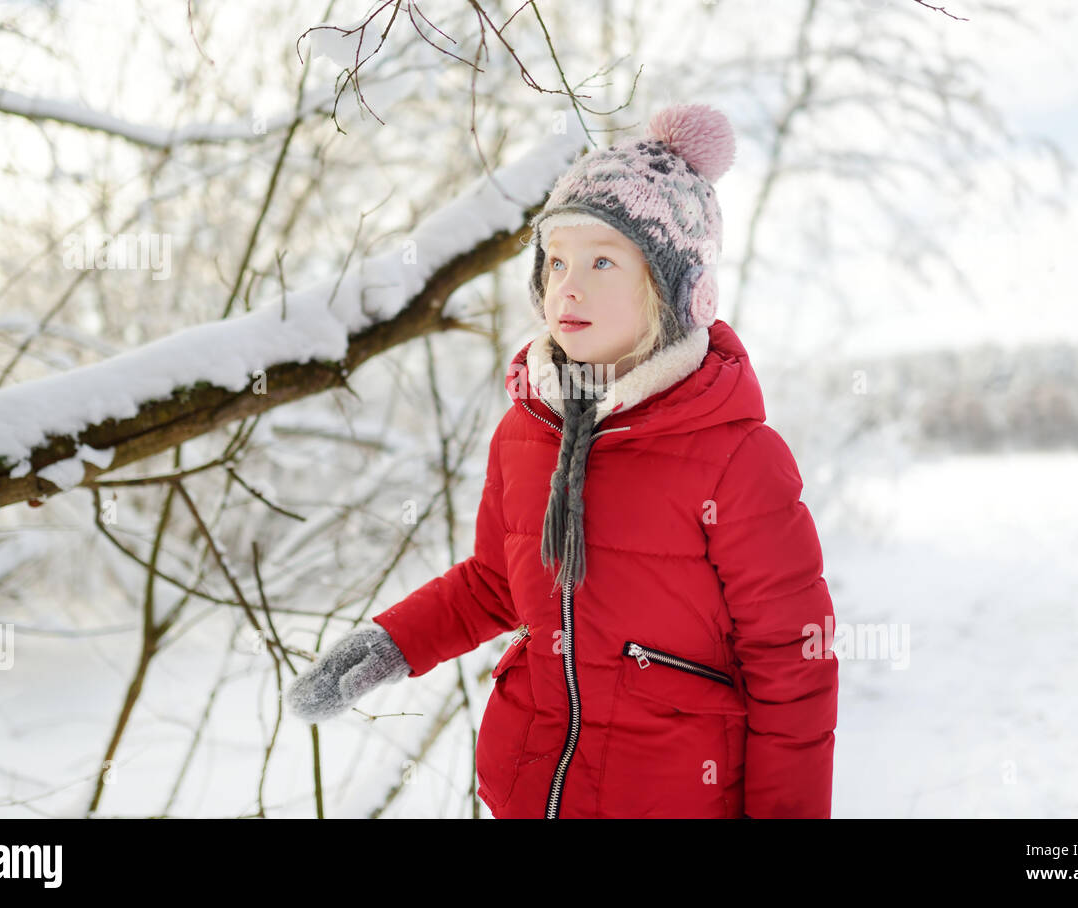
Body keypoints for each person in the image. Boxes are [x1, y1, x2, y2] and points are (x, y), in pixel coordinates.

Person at [287, 104, 838, 819]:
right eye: (555, 261)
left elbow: (792, 664)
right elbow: (497, 582)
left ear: (678, 292)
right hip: (531, 791)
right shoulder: (526, 432)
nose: (566, 287)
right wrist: (393, 643)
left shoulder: (736, 458)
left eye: (602, 261)